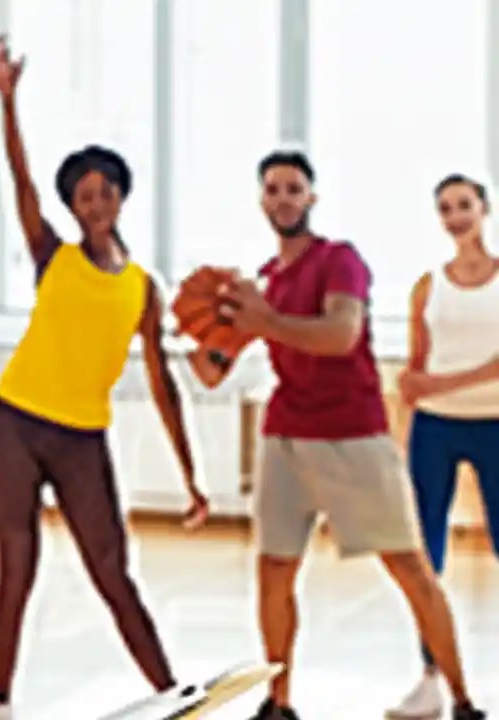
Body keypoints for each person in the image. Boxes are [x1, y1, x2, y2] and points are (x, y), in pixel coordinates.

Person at [191, 150, 486, 720]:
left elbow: (342, 336)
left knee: (411, 568)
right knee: (273, 569)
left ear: (312, 198)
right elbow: (211, 370)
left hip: (353, 434)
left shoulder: (339, 260)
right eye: (273, 189)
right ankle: (278, 704)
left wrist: (263, 319)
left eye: (294, 189)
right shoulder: (266, 282)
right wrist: (199, 324)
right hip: (285, 436)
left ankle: (464, 702)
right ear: (262, 201)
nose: (283, 198)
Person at [0, 36, 210, 719]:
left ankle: (174, 696)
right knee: (16, 569)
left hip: (83, 439)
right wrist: (8, 100)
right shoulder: (54, 256)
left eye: (105, 190)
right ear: (73, 208)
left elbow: (165, 386)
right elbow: (20, 185)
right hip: (14, 425)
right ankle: (0, 703)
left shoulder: (142, 287)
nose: (95, 201)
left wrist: (191, 476)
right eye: (82, 195)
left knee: (113, 572)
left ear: (119, 198)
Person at [387, 173, 499, 720]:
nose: (456, 216)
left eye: (464, 205)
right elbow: (417, 366)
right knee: (424, 552)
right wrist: (415, 398)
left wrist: (439, 384)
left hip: (495, 425)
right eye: (446, 208)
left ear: (485, 209)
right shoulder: (427, 285)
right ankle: (431, 676)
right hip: (434, 430)